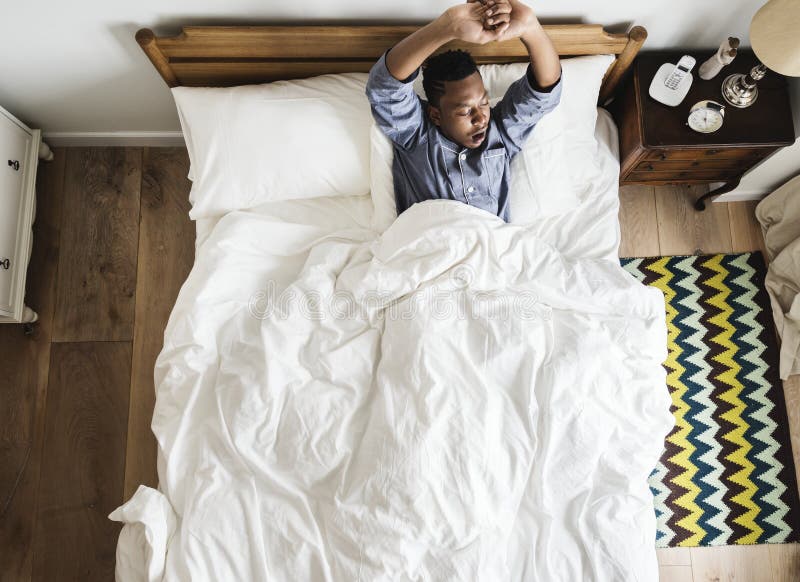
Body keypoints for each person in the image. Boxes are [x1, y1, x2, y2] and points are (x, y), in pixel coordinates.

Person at [365, 0, 562, 222]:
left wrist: (531, 28)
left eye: (484, 103)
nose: (481, 119)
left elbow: (543, 94)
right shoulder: (416, 136)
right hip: (432, 248)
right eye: (465, 112)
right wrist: (446, 27)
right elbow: (384, 87)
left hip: (493, 250)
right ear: (435, 115)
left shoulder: (501, 134)